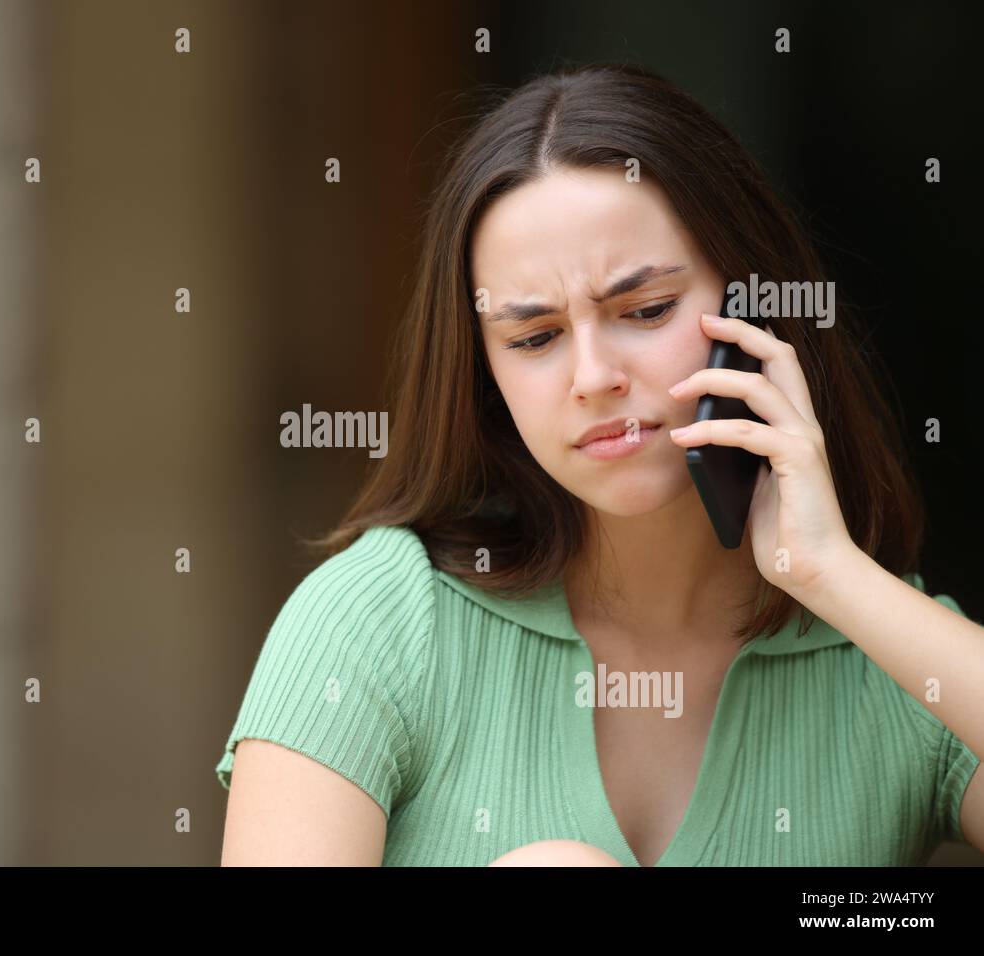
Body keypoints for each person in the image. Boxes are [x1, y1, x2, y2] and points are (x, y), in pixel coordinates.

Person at [214, 63, 984, 866]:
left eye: (646, 311)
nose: (593, 378)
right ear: (486, 375)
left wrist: (831, 575)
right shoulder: (380, 624)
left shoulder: (886, 657)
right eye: (535, 338)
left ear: (753, 304)